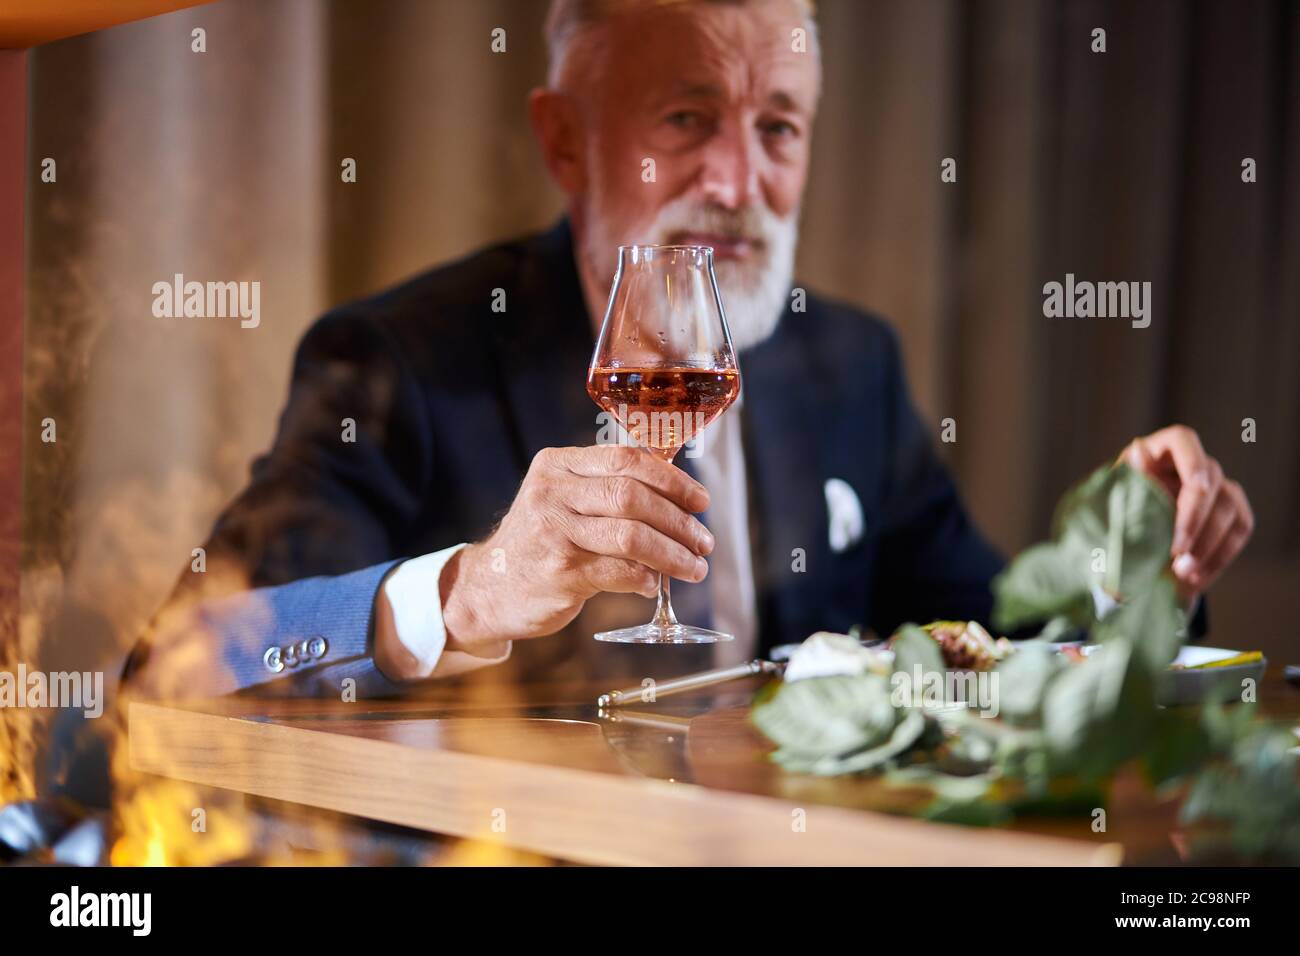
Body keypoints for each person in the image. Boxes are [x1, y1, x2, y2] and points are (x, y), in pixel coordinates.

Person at [124, 0, 1253, 699]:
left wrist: (1128, 563)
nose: (735, 183)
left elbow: (991, 638)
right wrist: (470, 590)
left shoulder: (849, 361)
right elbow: (182, 657)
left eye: (776, 128)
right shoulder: (399, 360)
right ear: (565, 139)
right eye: (685, 118)